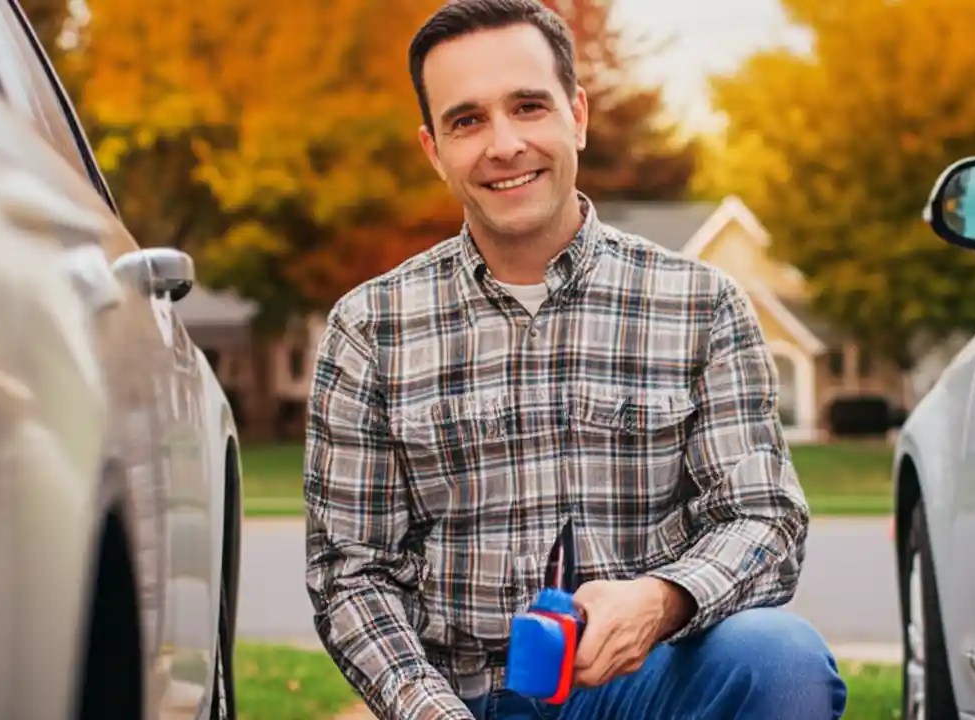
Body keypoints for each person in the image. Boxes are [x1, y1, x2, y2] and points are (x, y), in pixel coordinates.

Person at [304, 1, 848, 718]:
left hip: (647, 687)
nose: (504, 144)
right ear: (434, 149)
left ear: (578, 117)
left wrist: (662, 600)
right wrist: (424, 707)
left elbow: (763, 519)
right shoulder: (369, 329)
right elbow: (352, 573)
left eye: (529, 106)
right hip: (464, 699)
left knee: (784, 662)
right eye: (467, 121)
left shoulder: (701, 304)